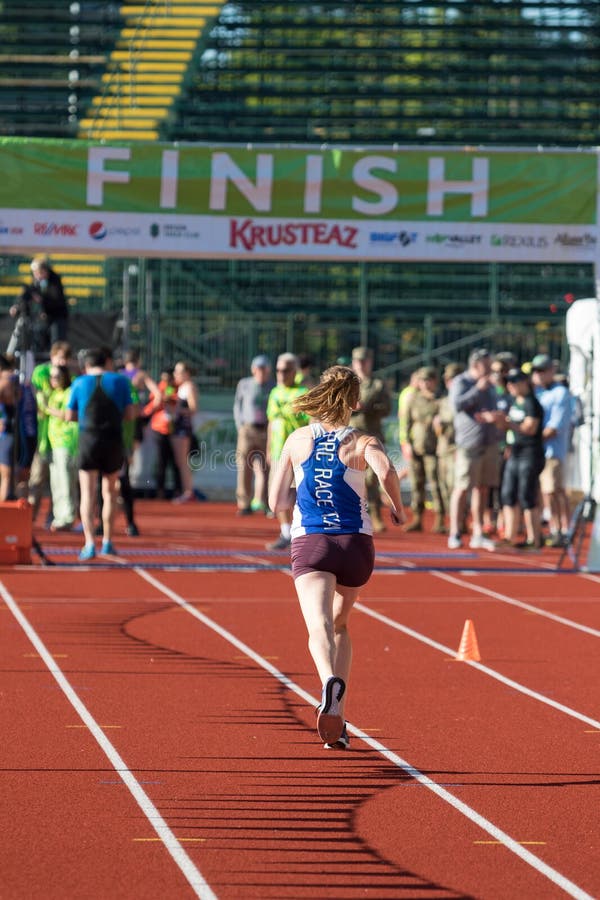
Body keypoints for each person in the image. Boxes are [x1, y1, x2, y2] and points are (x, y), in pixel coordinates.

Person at [268, 365, 406, 749]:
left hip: (312, 543)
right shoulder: (362, 440)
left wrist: (299, 494)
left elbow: (275, 500)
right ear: (355, 403)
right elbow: (387, 470)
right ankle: (338, 718)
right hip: (356, 546)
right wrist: (398, 507)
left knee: (319, 627)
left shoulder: (297, 439)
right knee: (340, 626)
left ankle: (329, 682)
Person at [66, 348, 134, 560]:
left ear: (86, 365)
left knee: (87, 493)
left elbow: (70, 415)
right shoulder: (121, 381)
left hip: (88, 440)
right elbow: (131, 413)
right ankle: (107, 541)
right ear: (107, 362)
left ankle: (88, 543)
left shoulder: (79, 382)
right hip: (113, 439)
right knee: (110, 492)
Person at [447, 348, 503, 551]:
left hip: (489, 442)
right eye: (487, 365)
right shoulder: (462, 382)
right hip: (468, 443)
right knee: (462, 487)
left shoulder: (490, 385)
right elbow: (457, 405)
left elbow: (488, 408)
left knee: (483, 487)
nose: (490, 369)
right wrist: (478, 389)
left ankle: (478, 532)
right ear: (476, 364)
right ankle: (455, 531)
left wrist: (493, 416)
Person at [265, 353, 309, 549]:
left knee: (299, 495)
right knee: (278, 496)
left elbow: (310, 423)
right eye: (278, 370)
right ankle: (285, 532)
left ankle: (301, 533)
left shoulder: (303, 392)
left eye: (285, 370)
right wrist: (268, 448)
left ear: (294, 371)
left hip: (298, 453)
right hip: (277, 451)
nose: (280, 374)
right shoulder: (274, 392)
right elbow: (271, 422)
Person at [500, 368, 545, 549]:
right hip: (515, 452)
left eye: (514, 382)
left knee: (527, 495)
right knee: (508, 494)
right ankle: (509, 536)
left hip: (530, 453)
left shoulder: (532, 403)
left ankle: (534, 539)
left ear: (524, 382)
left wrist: (507, 423)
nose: (510, 386)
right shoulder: (514, 402)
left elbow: (530, 428)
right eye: (508, 382)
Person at [28, 341, 72, 523]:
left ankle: (56, 516)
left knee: (59, 481)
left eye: (65, 359)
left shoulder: (70, 381)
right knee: (36, 479)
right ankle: (28, 519)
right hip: (42, 437)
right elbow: (36, 395)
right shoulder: (41, 372)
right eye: (59, 358)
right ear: (53, 357)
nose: (61, 363)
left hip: (61, 440)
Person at [349, 346, 392, 533]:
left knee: (372, 478)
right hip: (350, 437)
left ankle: (375, 514)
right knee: (349, 477)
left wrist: (371, 407)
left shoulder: (378, 385)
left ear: (370, 362)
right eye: (358, 361)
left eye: (364, 361)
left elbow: (388, 408)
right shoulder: (348, 383)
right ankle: (352, 514)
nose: (361, 364)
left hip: (372, 435)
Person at [531, 353, 571, 546]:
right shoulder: (537, 392)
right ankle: (556, 529)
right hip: (537, 451)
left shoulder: (561, 393)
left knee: (554, 491)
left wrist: (528, 435)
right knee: (546, 493)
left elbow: (554, 427)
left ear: (551, 371)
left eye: (542, 371)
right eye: (535, 371)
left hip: (552, 451)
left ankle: (563, 530)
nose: (538, 375)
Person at [404, 366, 445, 533]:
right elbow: (406, 422)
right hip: (417, 446)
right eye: (423, 381)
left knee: (436, 484)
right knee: (416, 484)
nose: (426, 384)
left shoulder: (440, 400)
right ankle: (417, 517)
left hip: (434, 448)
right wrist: (406, 442)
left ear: (435, 381)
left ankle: (440, 517)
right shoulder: (413, 399)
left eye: (429, 380)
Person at [233, 354, 274, 515]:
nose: (261, 372)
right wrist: (240, 426)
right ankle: (244, 503)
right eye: (258, 368)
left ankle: (265, 502)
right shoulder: (244, 384)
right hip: (248, 430)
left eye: (264, 369)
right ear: (253, 369)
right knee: (244, 466)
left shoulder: (273, 385)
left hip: (266, 430)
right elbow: (238, 406)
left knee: (267, 467)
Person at [46, 364, 78, 531]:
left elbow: (68, 415)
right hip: (53, 442)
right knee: (56, 482)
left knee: (66, 482)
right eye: (51, 377)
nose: (53, 380)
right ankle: (59, 516)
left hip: (66, 442)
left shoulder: (68, 392)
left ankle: (68, 517)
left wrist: (48, 409)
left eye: (57, 377)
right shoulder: (54, 394)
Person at [434, 362, 463, 522]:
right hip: (443, 448)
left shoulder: (464, 400)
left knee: (455, 485)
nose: (449, 382)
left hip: (457, 448)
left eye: (453, 379)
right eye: (448, 379)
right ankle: (450, 519)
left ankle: (459, 520)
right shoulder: (443, 401)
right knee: (444, 485)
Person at [171, 360, 199, 504]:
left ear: (187, 373)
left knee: (183, 461)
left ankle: (188, 492)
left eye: (179, 372)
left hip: (183, 428)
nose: (176, 374)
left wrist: (176, 411)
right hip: (178, 427)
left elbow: (194, 409)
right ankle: (186, 490)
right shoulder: (179, 387)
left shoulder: (189, 387)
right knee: (180, 461)